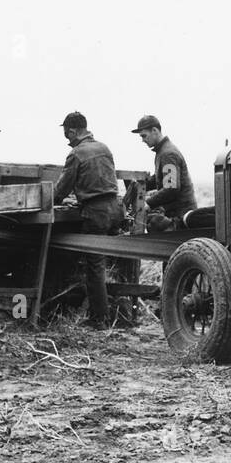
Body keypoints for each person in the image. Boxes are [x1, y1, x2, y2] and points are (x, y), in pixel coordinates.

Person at [54, 112, 122, 326]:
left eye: (67, 136)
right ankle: (119, 313)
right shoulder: (104, 148)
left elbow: (62, 188)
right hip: (115, 209)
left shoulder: (76, 153)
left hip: (96, 213)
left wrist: (53, 199)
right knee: (106, 263)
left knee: (95, 267)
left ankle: (100, 320)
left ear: (73, 131)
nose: (68, 140)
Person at [133, 114, 197, 232]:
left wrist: (148, 203)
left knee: (152, 225)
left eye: (144, 136)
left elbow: (171, 188)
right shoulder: (162, 151)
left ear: (154, 130)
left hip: (181, 217)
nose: (142, 140)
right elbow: (160, 178)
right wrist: (138, 185)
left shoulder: (167, 154)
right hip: (176, 213)